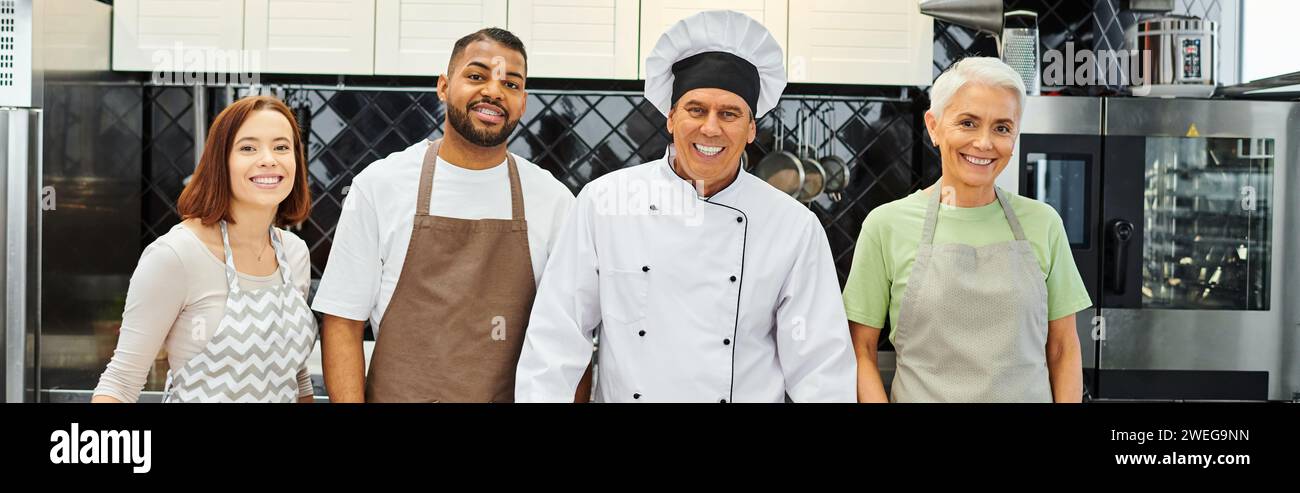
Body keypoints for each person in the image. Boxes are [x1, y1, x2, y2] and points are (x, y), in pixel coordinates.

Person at [514, 10, 856, 403]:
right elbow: (557, 337)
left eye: (730, 114)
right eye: (696, 110)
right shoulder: (604, 203)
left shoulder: (793, 226)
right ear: (671, 117)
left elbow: (821, 367)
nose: (711, 128)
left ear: (750, 130)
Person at [312, 28, 580, 403]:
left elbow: (570, 333)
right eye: (476, 76)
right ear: (442, 86)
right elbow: (342, 321)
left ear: (523, 103)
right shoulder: (379, 185)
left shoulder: (553, 200)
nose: (493, 91)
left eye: (511, 84)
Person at [843, 57, 1092, 403]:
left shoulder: (1044, 223)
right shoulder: (887, 226)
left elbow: (1064, 348)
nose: (984, 143)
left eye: (1002, 128)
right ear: (934, 126)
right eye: (968, 123)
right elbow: (860, 350)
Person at [93, 95, 316, 403]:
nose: (269, 159)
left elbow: (297, 378)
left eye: (281, 147)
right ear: (220, 162)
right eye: (248, 148)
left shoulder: (294, 254)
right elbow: (120, 383)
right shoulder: (177, 255)